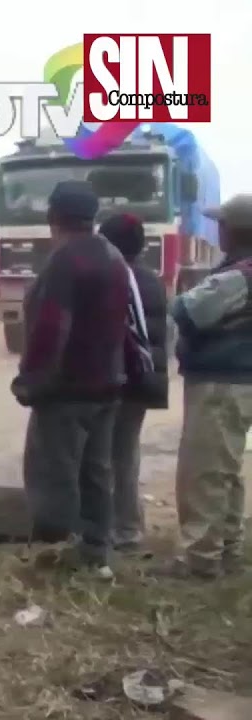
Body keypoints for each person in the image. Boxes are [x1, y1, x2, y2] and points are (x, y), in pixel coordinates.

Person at [13, 181, 131, 577]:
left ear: (53, 218)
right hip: (108, 387)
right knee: (96, 472)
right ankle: (97, 552)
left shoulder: (64, 260)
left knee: (52, 473)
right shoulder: (113, 256)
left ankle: (53, 555)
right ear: (92, 218)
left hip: (66, 391)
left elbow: (51, 329)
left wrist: (31, 381)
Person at [168, 194, 252, 578]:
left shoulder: (238, 276)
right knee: (227, 470)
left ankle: (199, 560)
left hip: (220, 383)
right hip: (239, 382)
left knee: (203, 472)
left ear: (232, 231)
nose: (216, 229)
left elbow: (187, 310)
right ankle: (228, 547)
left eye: (220, 224)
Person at [99, 213, 169, 552]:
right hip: (142, 381)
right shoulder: (150, 278)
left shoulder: (116, 278)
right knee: (125, 454)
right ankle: (129, 526)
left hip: (121, 381)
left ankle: (121, 530)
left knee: (110, 458)